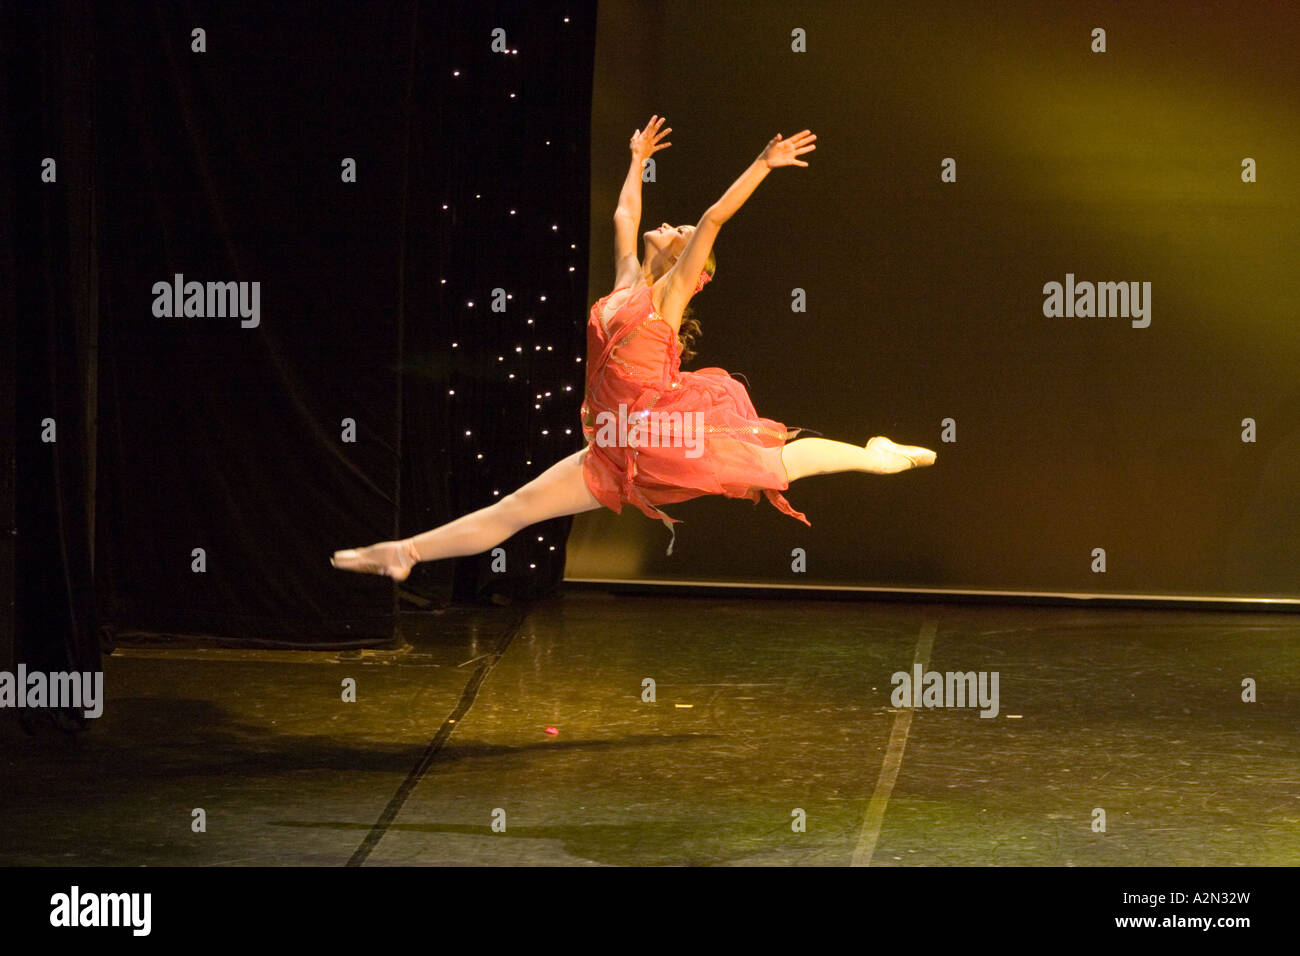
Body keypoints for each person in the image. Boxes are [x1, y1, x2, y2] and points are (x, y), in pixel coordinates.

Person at [332, 116, 935, 580]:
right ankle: (405, 553)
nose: (670, 227)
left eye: (677, 235)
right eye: (671, 229)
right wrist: (635, 159)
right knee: (513, 508)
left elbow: (712, 220)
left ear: (685, 261)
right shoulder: (629, 280)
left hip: (659, 431)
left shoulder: (670, 294)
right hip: (614, 442)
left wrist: (762, 163)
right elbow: (625, 212)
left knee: (771, 463)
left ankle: (874, 456)